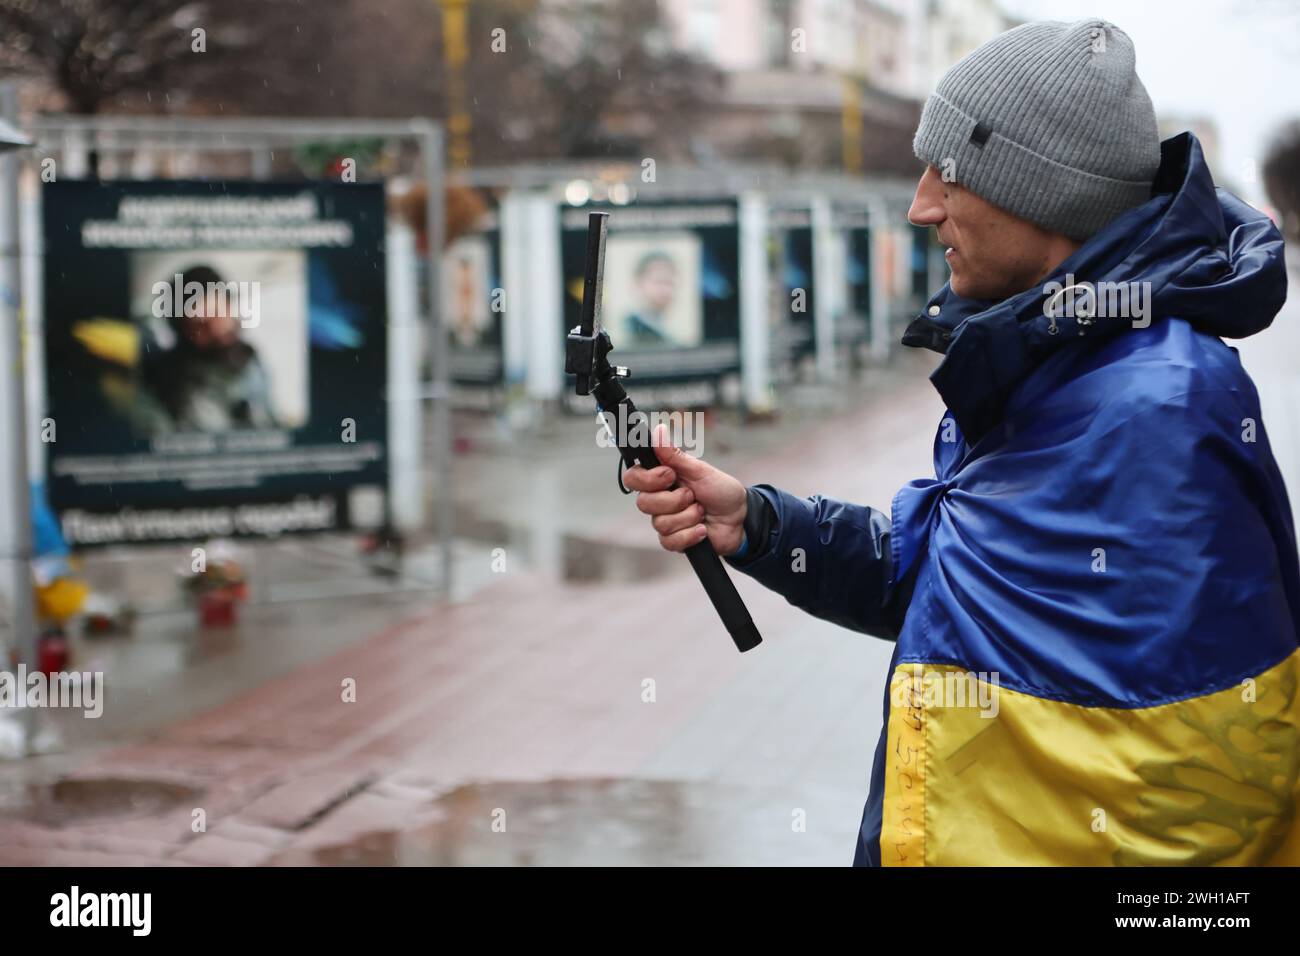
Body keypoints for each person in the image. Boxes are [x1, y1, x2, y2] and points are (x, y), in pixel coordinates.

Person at [625, 19, 1300, 866]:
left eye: (952, 172)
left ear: (1041, 193)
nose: (921, 205)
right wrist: (760, 524)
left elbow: (1208, 794)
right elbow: (961, 594)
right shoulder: (1061, 363)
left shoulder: (1155, 407)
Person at [143, 265, 278, 432]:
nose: (215, 330)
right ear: (183, 333)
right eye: (200, 324)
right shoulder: (181, 391)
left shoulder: (249, 357)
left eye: (217, 314)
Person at [623, 250, 681, 347]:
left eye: (670, 283)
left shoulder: (665, 336)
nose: (666, 290)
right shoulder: (627, 333)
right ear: (638, 284)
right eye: (659, 282)